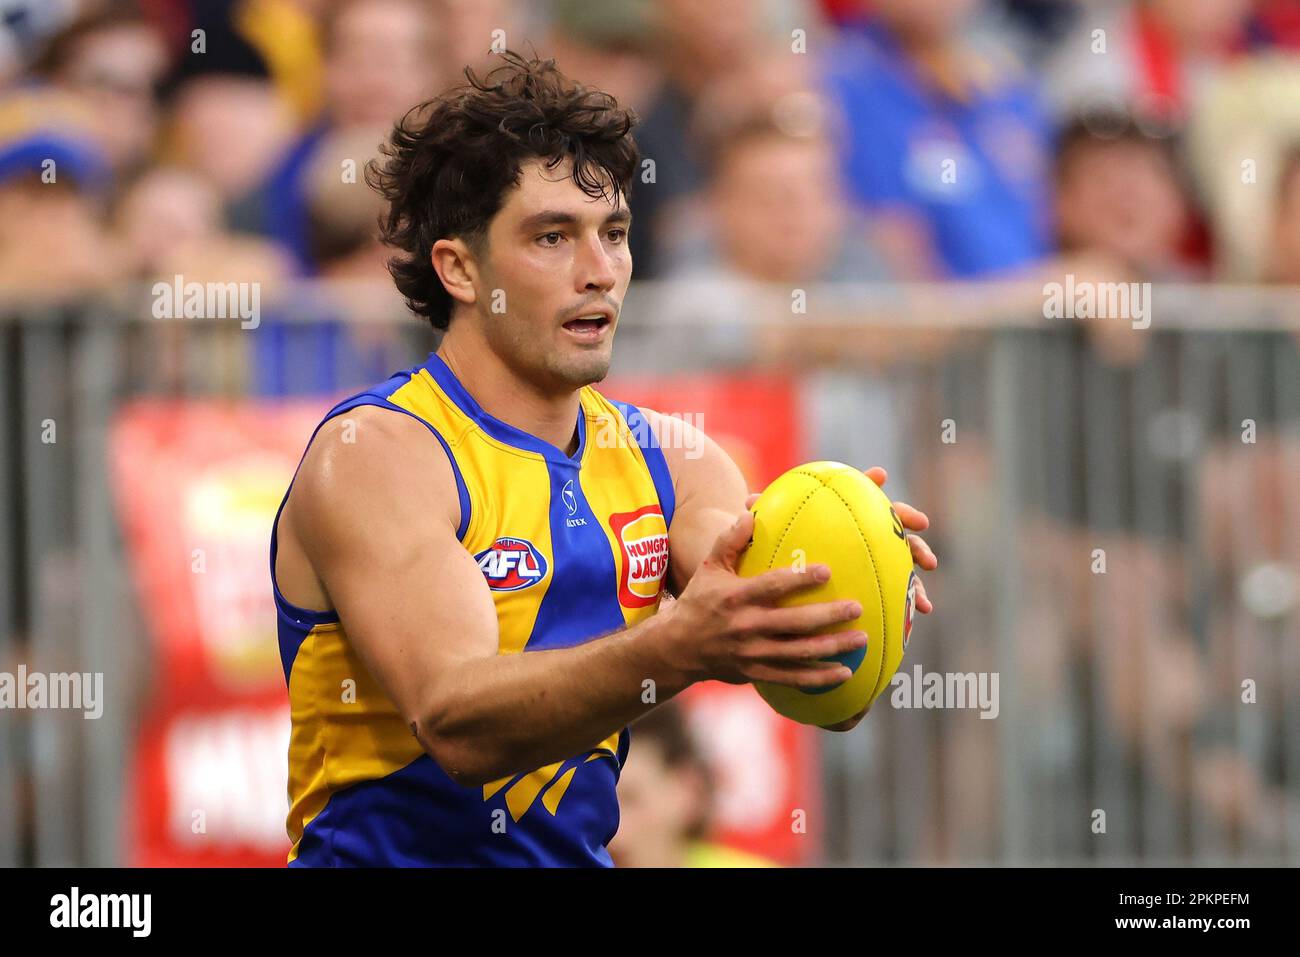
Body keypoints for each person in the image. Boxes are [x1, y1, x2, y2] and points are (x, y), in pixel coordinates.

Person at [270, 52, 938, 867]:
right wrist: (674, 646)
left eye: (613, 234)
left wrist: (840, 597)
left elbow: (819, 692)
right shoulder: (378, 454)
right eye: (552, 237)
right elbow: (454, 720)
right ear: (460, 267)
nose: (599, 273)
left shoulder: (678, 459)